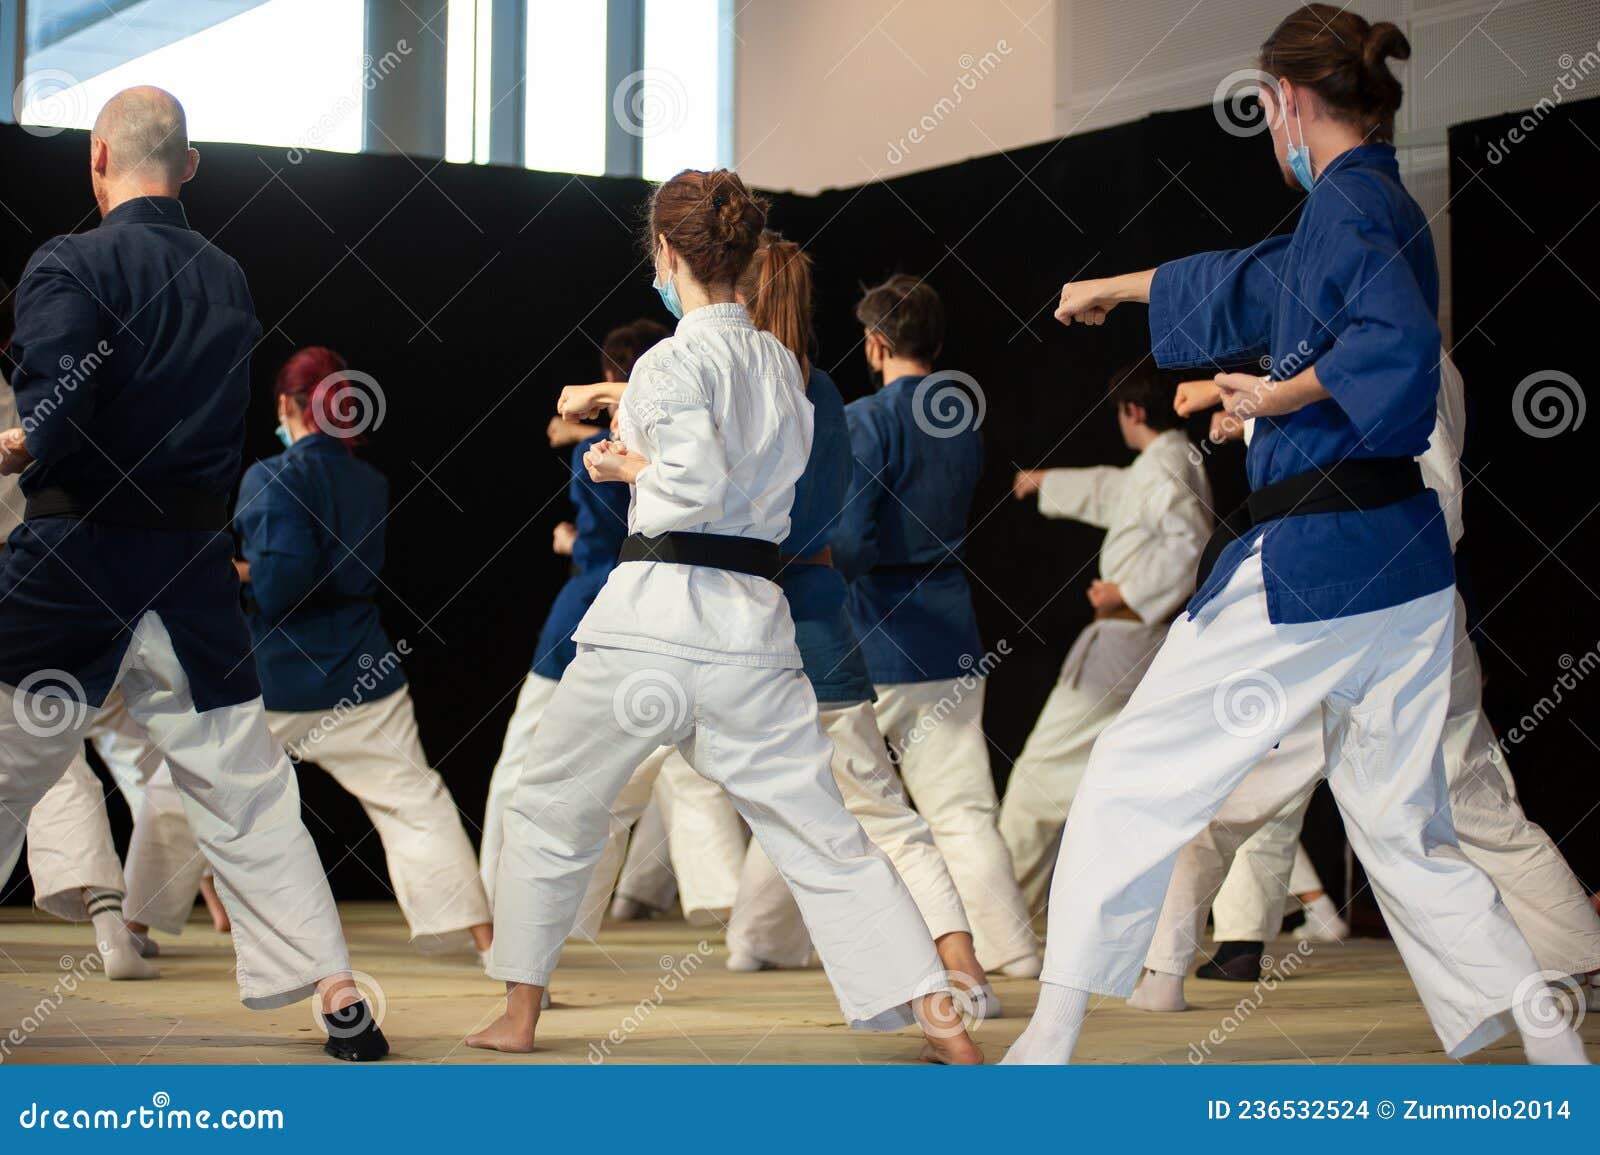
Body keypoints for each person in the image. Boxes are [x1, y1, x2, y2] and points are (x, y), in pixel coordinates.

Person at [1003, 7, 1582, 1064]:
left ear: (1287, 102)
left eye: (1266, 108)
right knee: (1403, 827)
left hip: (1322, 564)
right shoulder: (1367, 204)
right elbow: (1248, 282)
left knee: (1130, 765)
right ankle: (1554, 1047)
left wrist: (1276, 399)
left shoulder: (1351, 208)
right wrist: (1120, 289)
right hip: (1404, 572)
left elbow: (1390, 349)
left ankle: (1047, 1040)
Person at [466, 169, 978, 1062]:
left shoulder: (667, 361)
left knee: (550, 802)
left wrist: (618, 466)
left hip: (653, 619)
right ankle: (944, 1022)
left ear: (667, 253)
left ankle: (518, 1016)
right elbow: (757, 484)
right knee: (823, 833)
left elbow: (689, 483)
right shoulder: (782, 365)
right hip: (754, 630)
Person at [0, 87, 385, 1059]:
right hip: (191, 568)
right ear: (193, 165)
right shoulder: (226, 276)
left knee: (6, 764)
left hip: (77, 556)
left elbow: (59, 421)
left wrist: (22, 444)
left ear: (97, 158)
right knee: (247, 788)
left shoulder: (68, 262)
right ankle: (336, 988)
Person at [1132, 351, 1600, 1011]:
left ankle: (1161, 971)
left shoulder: (1384, 352)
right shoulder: (1395, 353)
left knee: (1231, 790)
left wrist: (1241, 400)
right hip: (1386, 601)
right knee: (1466, 800)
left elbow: (1380, 461)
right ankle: (1582, 956)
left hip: (1358, 606)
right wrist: (1248, 410)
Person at [651, 231, 995, 1016]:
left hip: (754, 627)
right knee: (846, 801)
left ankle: (948, 967)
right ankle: (939, 962)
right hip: (815, 624)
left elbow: (733, 507)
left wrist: (628, 454)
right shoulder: (825, 391)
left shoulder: (727, 382)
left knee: (612, 778)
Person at [120, 345, 494, 958]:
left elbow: (280, 587)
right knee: (413, 802)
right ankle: (486, 940)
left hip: (276, 677)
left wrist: (232, 570)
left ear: (286, 406)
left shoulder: (271, 476)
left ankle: (132, 933)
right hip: (363, 673)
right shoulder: (368, 480)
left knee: (179, 789)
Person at [832, 274, 1042, 978]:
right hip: (951, 627)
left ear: (875, 344)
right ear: (937, 342)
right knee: (961, 807)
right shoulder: (960, 420)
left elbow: (851, 539)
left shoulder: (866, 418)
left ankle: (765, 939)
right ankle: (1011, 947)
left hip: (878, 630)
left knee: (839, 797)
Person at [998, 361, 1213, 912]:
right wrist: (1050, 483)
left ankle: (998, 916)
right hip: (1140, 641)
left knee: (1040, 776)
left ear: (1133, 411)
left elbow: (1190, 545)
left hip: (1127, 640)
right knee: (1137, 778)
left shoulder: (1167, 466)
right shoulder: (1164, 462)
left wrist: (1128, 593)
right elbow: (1113, 490)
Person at [478, 319, 669, 917]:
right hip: (654, 620)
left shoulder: (599, 453)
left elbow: (606, 539)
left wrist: (572, 539)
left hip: (587, 613)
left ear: (610, 377)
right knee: (639, 772)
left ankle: (498, 901)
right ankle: (601, 901)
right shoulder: (684, 449)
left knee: (523, 762)